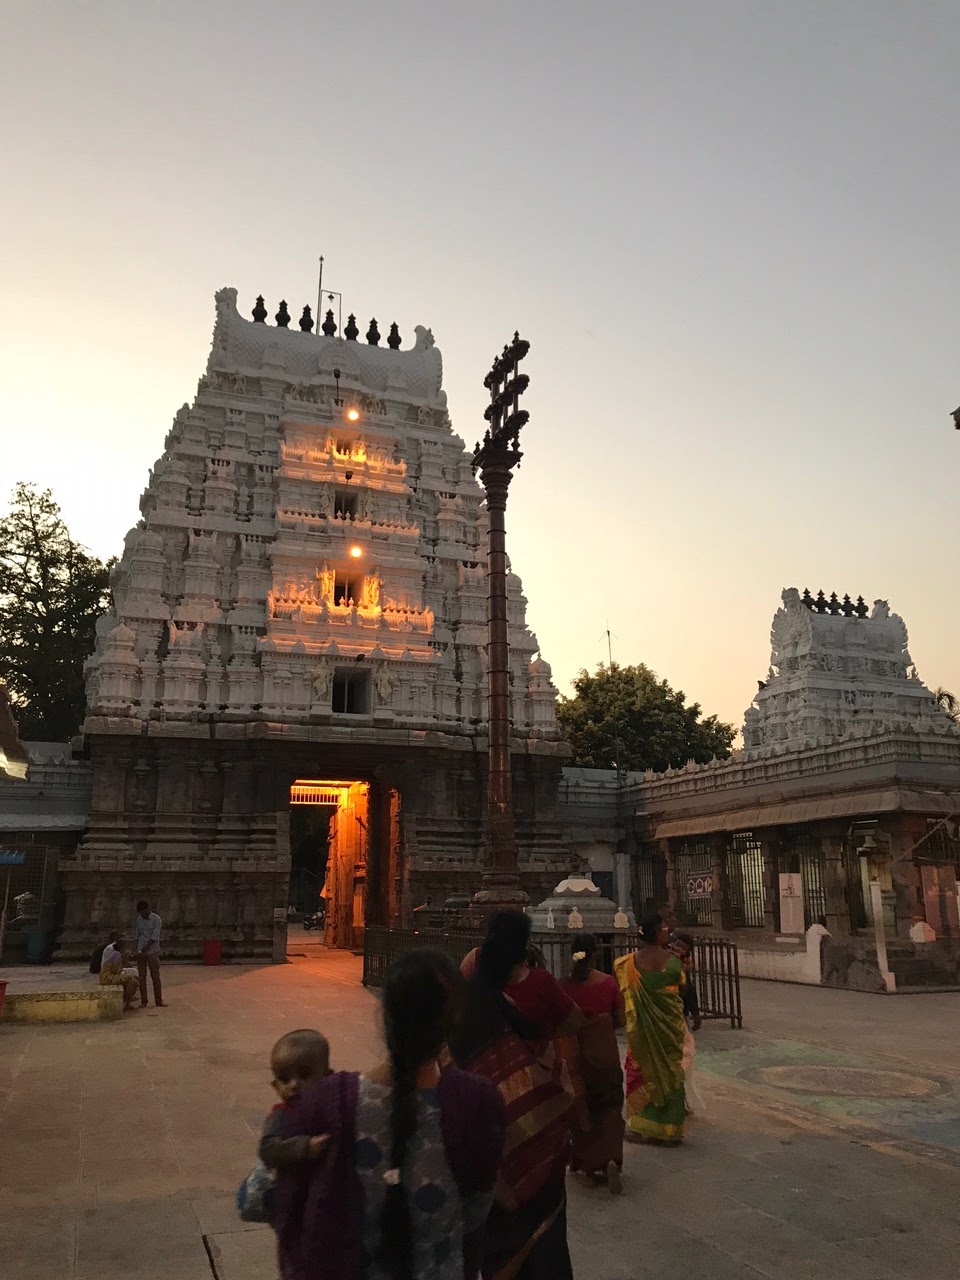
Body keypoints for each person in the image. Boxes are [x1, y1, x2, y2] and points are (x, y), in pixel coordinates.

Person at [274, 949, 505, 1280]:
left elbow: (261, 1198)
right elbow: (476, 1211)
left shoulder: (324, 1105)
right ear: (453, 1020)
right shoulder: (477, 1105)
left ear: (384, 1016)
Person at [449, 909, 581, 1280]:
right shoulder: (534, 983)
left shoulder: (470, 988)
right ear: (523, 946)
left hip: (487, 1145)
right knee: (546, 1242)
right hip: (536, 1131)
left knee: (493, 1243)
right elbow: (571, 1025)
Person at [238, 1030, 334, 1224]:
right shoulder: (282, 1114)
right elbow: (267, 1148)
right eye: (284, 1079)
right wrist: (305, 1147)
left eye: (304, 1075)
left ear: (327, 1077)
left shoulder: (330, 1109)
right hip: (287, 1194)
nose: (294, 1085)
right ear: (275, 1085)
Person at [560, 933, 626, 1193]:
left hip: (575, 1054)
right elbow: (620, 1019)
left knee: (582, 1104)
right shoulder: (608, 983)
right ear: (596, 954)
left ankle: (588, 1161)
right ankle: (610, 1156)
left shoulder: (563, 986)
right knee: (610, 1104)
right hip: (605, 1052)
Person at [614, 914, 687, 1145]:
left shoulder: (624, 965)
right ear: (657, 934)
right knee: (671, 1072)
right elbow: (682, 992)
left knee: (639, 1072)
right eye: (664, 930)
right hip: (668, 1031)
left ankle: (638, 1128)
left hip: (642, 1032)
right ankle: (670, 1131)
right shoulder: (674, 963)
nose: (667, 932)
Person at [671, 932, 706, 1118]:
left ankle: (681, 1099)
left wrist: (695, 1012)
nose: (678, 949)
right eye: (676, 944)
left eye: (682, 947)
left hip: (679, 1013)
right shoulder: (668, 961)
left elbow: (688, 989)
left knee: (684, 1058)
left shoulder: (682, 965)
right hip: (667, 1014)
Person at [134, 900, 165, 1008]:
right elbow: (138, 936)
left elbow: (154, 938)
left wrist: (142, 950)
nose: (142, 915)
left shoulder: (156, 919)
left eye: (144, 912)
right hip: (141, 950)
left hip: (152, 950)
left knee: (155, 976)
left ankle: (158, 1000)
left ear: (148, 909)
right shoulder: (139, 920)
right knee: (141, 977)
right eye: (141, 913)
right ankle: (144, 1001)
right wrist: (137, 950)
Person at [98, 933, 139, 1011]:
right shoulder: (116, 954)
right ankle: (126, 1000)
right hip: (107, 977)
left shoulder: (115, 953)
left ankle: (127, 1002)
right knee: (132, 979)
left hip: (109, 976)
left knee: (133, 980)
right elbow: (115, 971)